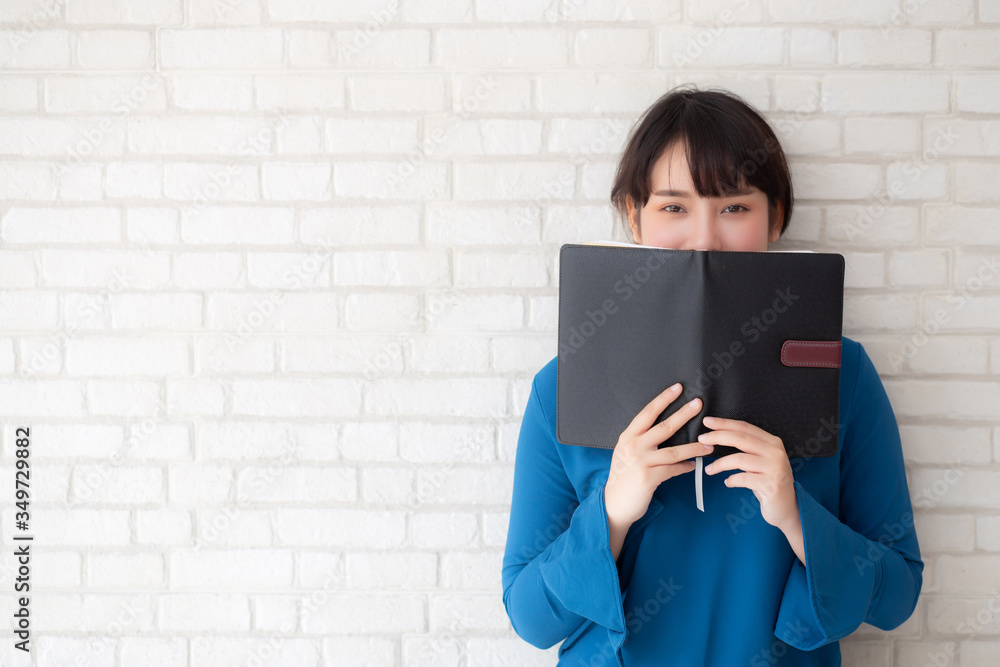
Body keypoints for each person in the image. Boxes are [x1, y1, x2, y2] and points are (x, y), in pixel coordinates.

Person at [501, 85, 923, 666]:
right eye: (673, 207)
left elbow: (897, 596)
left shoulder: (841, 374)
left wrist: (793, 511)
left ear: (776, 218)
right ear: (634, 217)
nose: (703, 238)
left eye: (734, 207)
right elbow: (530, 617)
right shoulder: (564, 385)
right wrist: (613, 510)